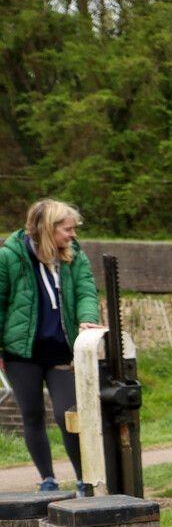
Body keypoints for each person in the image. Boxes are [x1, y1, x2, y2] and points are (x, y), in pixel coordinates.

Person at [0, 199, 101, 493]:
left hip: (61, 351)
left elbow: (85, 291)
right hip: (22, 353)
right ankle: (48, 479)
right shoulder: (10, 257)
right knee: (31, 414)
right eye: (67, 229)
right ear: (48, 228)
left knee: (67, 414)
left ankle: (85, 479)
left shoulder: (74, 256)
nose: (73, 235)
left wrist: (86, 320)